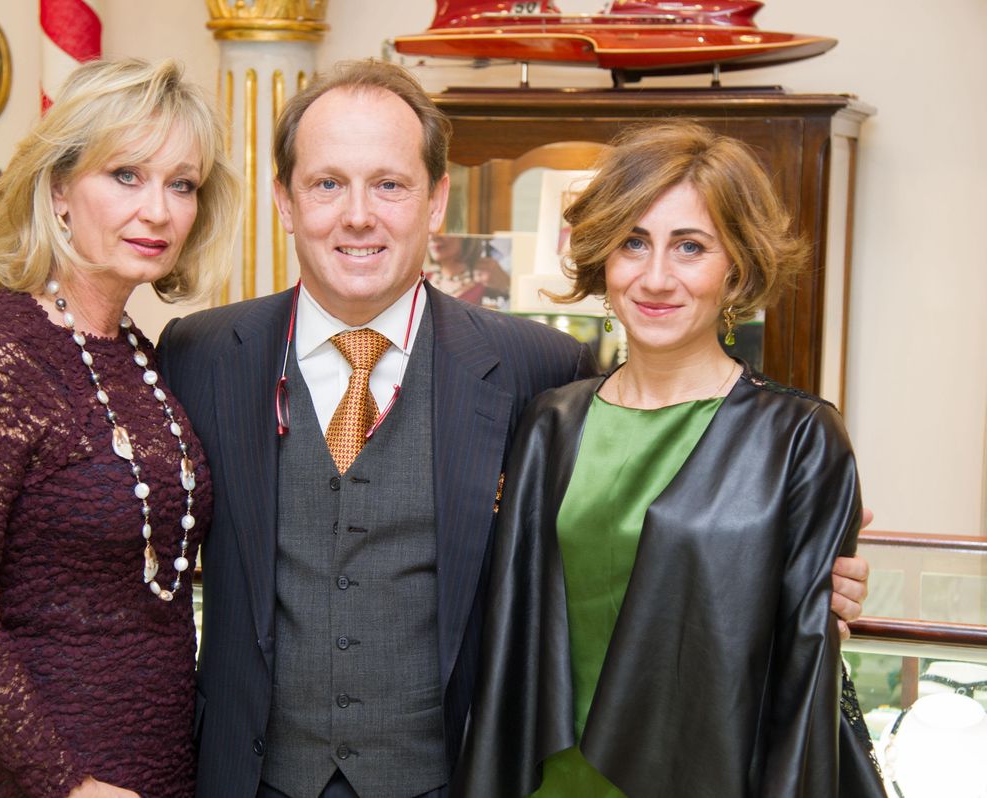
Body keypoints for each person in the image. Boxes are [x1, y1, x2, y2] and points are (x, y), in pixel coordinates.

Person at [157, 61, 870, 798]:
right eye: (327, 183)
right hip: (247, 779)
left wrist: (803, 575)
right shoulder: (199, 356)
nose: (358, 214)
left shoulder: (541, 369)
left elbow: (621, 543)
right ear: (285, 199)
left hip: (461, 775)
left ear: (436, 201)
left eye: (391, 184)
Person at [453, 122, 885, 797]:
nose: (656, 277)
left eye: (690, 247)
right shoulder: (552, 423)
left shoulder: (799, 438)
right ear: (603, 257)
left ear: (735, 266)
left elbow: (805, 678)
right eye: (633, 243)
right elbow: (509, 645)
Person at [0, 58, 239, 798]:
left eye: (181, 184)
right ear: (58, 189)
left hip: (164, 750)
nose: (158, 210)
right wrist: (65, 782)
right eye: (126, 174)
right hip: (58, 767)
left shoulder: (137, 352)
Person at [425, 234, 510, 307]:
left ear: (464, 235)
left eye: (443, 230)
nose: (433, 237)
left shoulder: (490, 281)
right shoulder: (421, 281)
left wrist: (506, 286)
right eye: (430, 228)